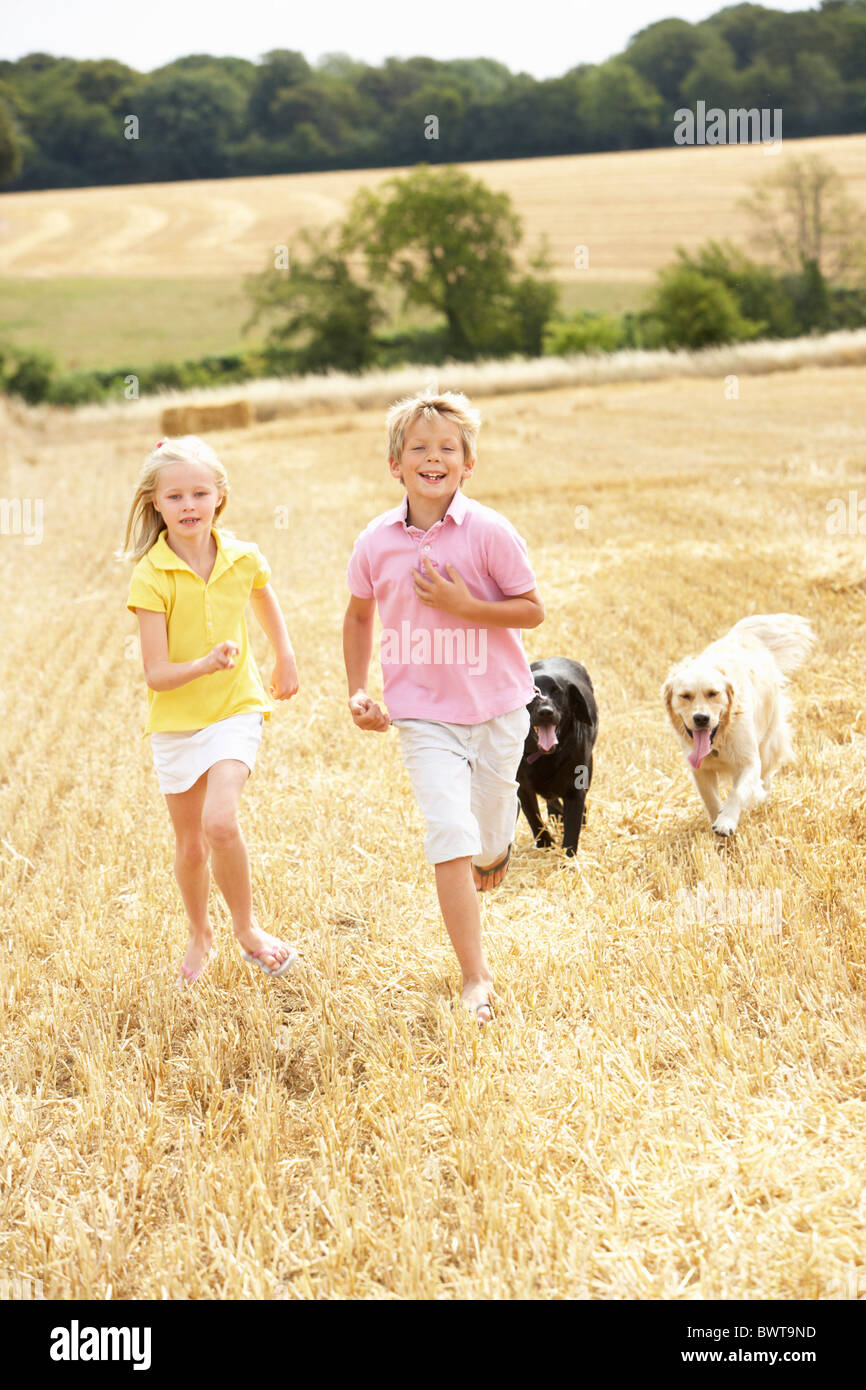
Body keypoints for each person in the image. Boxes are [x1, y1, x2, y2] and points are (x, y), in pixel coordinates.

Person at [343, 390, 544, 1025]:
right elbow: (357, 614)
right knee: (448, 833)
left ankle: (497, 848)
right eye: (419, 448)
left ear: (467, 464)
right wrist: (357, 688)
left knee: (486, 831)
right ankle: (476, 977)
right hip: (422, 716)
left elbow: (531, 609)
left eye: (447, 449)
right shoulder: (376, 541)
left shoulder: (488, 531)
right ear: (395, 464)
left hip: (498, 710)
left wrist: (468, 608)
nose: (434, 457)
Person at [119, 435, 299, 988]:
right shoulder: (151, 575)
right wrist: (204, 663)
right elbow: (156, 674)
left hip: (234, 709)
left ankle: (247, 931)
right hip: (176, 722)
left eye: (200, 492)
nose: (189, 505)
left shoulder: (242, 556)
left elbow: (261, 593)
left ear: (220, 496)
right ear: (155, 503)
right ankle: (201, 933)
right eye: (175, 496)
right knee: (191, 844)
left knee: (220, 821)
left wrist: (284, 654)